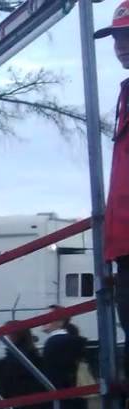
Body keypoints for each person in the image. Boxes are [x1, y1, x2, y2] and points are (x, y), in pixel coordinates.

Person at [95, 4, 129, 381]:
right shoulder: (126, 93)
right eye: (117, 37)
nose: (121, 45)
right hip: (123, 243)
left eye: (128, 35)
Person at [40, 308, 89, 409]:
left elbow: (54, 376)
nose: (44, 320)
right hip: (72, 403)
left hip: (60, 404)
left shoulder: (54, 343)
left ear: (60, 321)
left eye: (49, 317)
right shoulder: (71, 342)